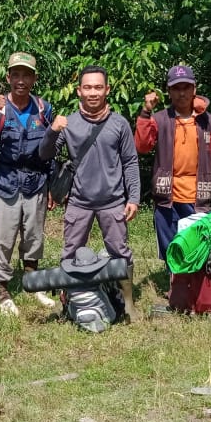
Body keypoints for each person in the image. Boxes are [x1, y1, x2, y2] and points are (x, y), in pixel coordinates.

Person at [38, 65, 141, 319]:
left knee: (120, 253)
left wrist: (134, 197)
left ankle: (128, 303)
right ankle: (70, 304)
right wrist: (52, 131)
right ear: (78, 91)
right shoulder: (69, 123)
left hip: (113, 201)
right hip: (79, 201)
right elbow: (44, 154)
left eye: (98, 87)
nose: (92, 92)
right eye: (87, 87)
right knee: (70, 253)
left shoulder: (119, 124)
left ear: (107, 90)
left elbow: (130, 161)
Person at [0, 52, 57, 315]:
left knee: (33, 237)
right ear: (8, 77)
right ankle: (3, 290)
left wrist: (50, 185)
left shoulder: (43, 108)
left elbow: (49, 149)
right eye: (15, 74)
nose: (21, 80)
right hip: (5, 183)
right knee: (2, 240)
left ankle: (32, 283)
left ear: (34, 78)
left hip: (35, 183)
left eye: (26, 74)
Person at [135, 64, 211, 275]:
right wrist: (146, 112)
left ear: (194, 89)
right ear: (169, 91)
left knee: (199, 246)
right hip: (167, 196)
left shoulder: (208, 122)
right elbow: (142, 146)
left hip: (198, 196)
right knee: (172, 247)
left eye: (186, 87)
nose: (182, 93)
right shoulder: (160, 119)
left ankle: (198, 288)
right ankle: (176, 287)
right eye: (176, 88)